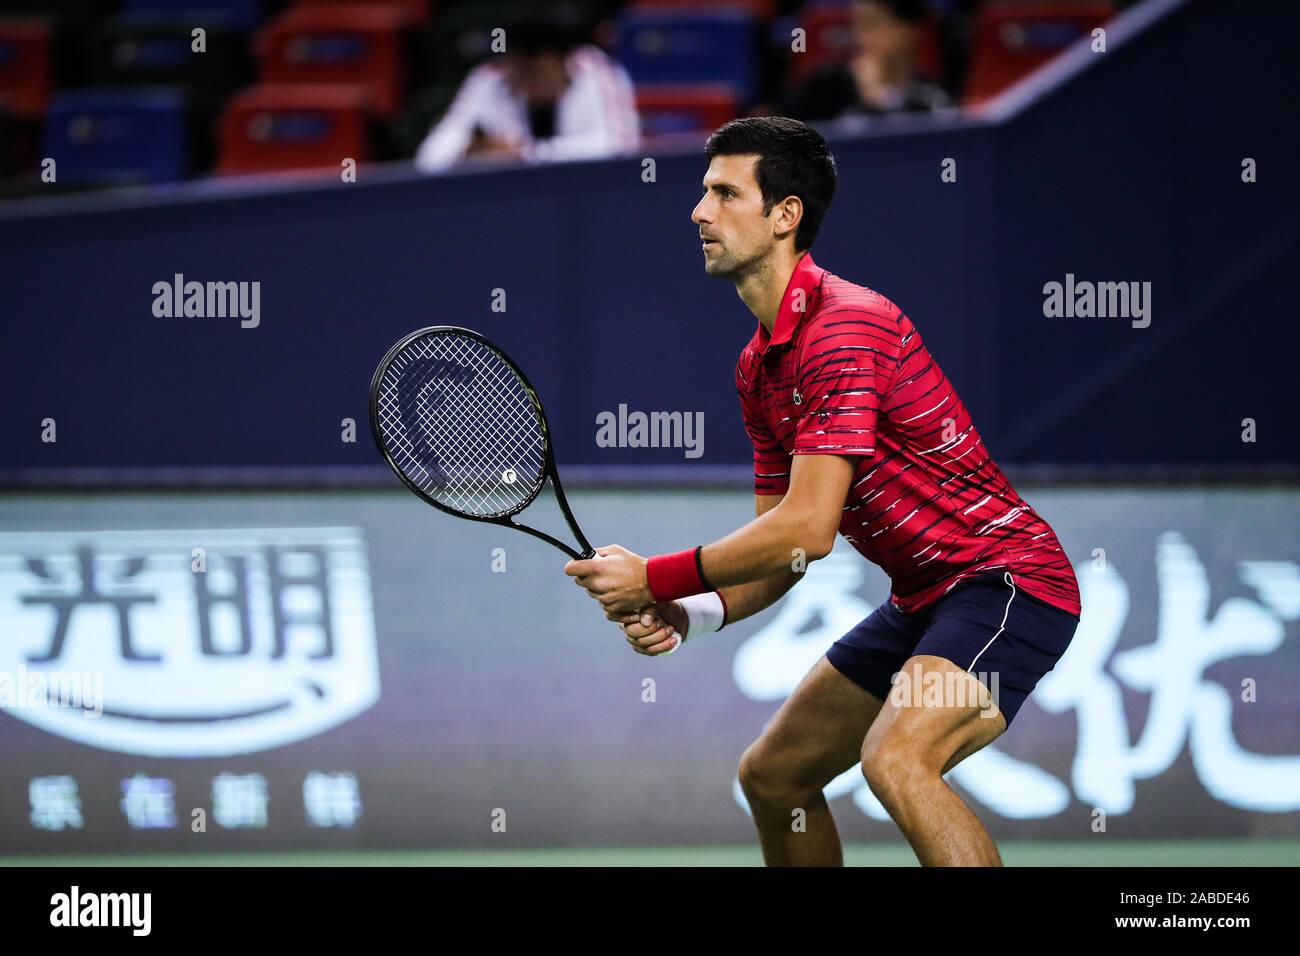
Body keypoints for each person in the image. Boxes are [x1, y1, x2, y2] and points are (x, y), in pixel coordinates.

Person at [564, 117, 1081, 867]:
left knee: (898, 761)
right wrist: (690, 611)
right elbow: (783, 555)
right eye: (703, 193)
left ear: (785, 215)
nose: (699, 212)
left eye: (723, 193)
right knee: (775, 780)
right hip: (925, 599)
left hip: (1008, 583)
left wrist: (651, 576)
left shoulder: (845, 328)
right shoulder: (760, 367)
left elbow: (807, 528)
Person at [414, 14, 639, 172]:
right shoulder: (490, 78)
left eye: (538, 73)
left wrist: (524, 154)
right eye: (519, 74)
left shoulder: (595, 70)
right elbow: (429, 157)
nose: (528, 84)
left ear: (563, 62)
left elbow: (619, 146)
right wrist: (467, 152)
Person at [786, 0, 950, 123]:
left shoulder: (930, 98)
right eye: (857, 25)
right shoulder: (824, 86)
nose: (860, 37)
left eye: (872, 24)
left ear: (908, 31)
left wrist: (878, 102)